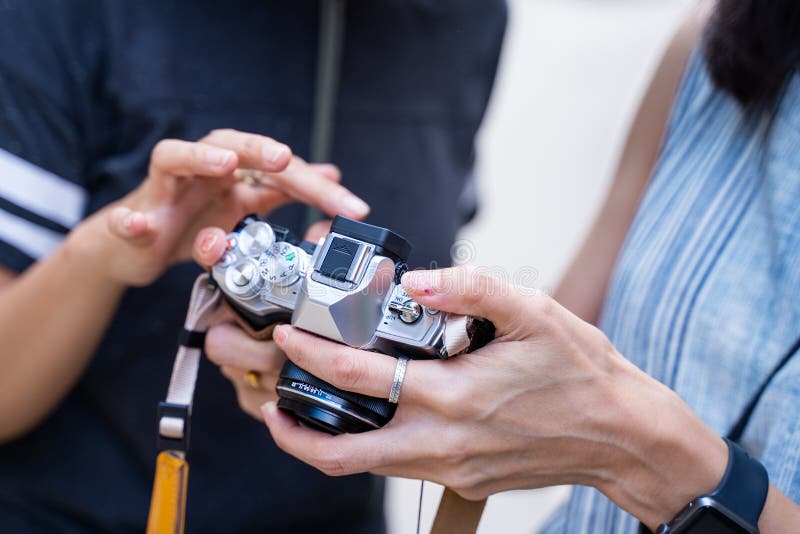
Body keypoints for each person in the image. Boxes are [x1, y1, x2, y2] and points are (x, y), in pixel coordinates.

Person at [204, 1, 800, 532]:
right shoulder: (712, 47)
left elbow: (582, 409)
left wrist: (635, 451)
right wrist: (349, 343)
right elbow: (544, 382)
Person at [0, 1, 506, 531]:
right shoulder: (62, 15)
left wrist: (407, 368)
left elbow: (442, 317)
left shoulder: (468, 20)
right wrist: (101, 255)